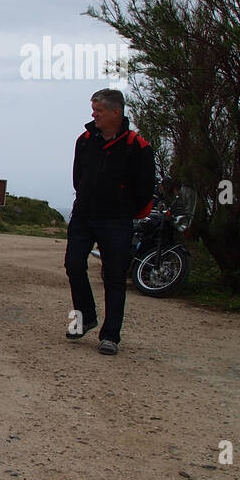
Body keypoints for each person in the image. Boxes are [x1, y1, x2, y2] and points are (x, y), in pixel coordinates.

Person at [63, 88, 156, 355]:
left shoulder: (137, 146)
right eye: (93, 110)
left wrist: (126, 210)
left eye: (99, 111)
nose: (94, 115)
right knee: (73, 265)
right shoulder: (84, 140)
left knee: (114, 277)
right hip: (83, 215)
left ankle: (111, 336)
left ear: (116, 112)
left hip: (116, 220)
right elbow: (77, 176)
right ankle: (85, 318)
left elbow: (145, 188)